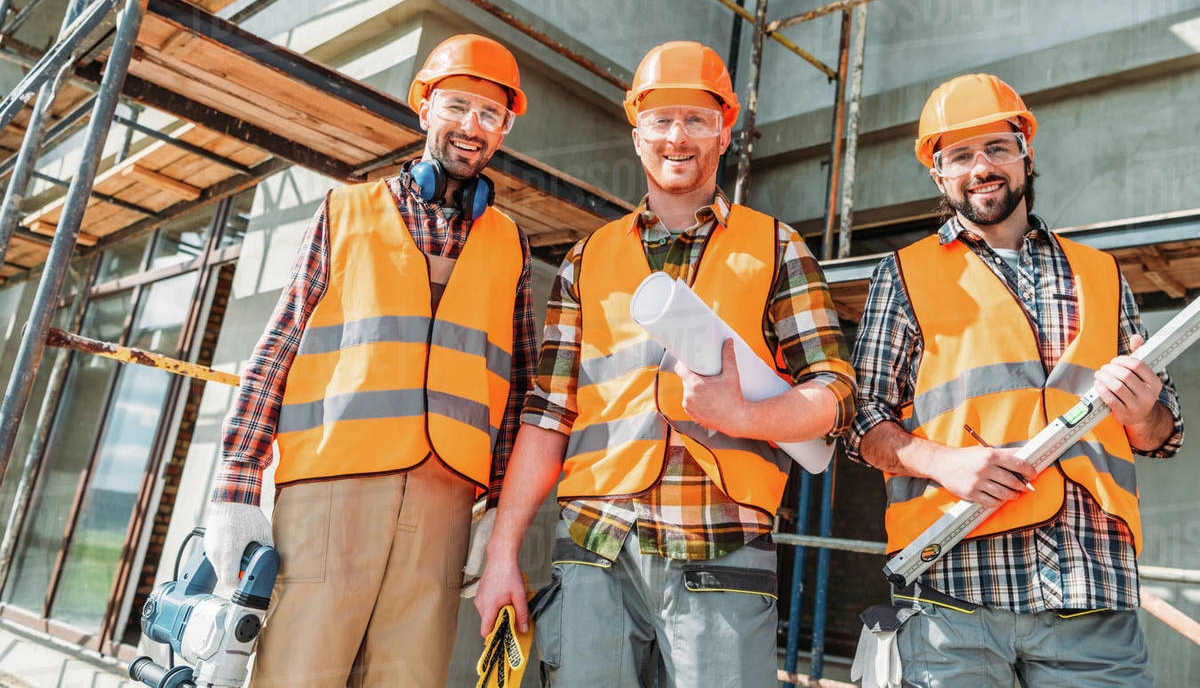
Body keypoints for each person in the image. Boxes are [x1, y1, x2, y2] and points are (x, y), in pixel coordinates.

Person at [474, 40, 856, 687]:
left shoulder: (775, 246)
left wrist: (746, 412)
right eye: (661, 120)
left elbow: (837, 393)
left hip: (722, 549)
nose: (677, 136)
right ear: (637, 133)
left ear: (724, 130)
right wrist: (500, 552)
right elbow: (548, 415)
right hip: (595, 550)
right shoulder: (587, 259)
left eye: (697, 119)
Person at [202, 34, 538, 688]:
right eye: (458, 105)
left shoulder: (512, 247)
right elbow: (279, 346)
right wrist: (237, 479)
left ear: (503, 130)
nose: (473, 126)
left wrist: (498, 513)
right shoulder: (343, 212)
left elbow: (520, 392)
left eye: (491, 115)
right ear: (423, 107)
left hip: (445, 506)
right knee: (298, 674)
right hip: (330, 490)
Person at [847, 73, 1184, 687]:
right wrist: (942, 463)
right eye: (960, 155)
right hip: (957, 588)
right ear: (938, 174)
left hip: (1092, 591)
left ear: (1027, 152)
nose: (982, 167)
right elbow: (861, 419)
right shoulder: (902, 276)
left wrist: (1143, 412)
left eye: (998, 148)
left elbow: (1163, 434)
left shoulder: (1102, 273)